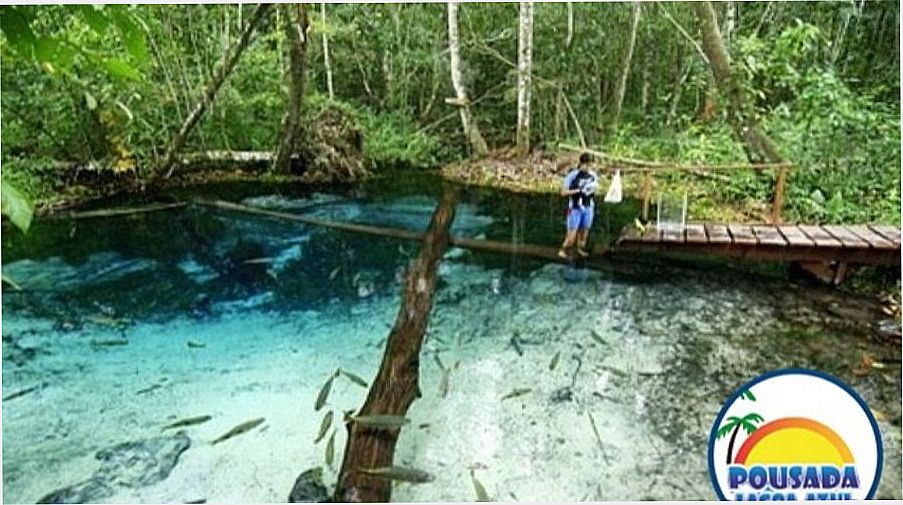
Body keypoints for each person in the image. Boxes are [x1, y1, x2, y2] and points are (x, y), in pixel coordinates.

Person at [558, 153, 599, 259]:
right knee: (572, 235)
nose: (589, 168)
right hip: (575, 207)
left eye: (591, 165)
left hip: (588, 206)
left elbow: (595, 189)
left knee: (584, 233)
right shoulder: (572, 176)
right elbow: (563, 192)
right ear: (582, 164)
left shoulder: (593, 175)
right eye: (587, 165)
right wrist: (579, 191)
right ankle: (563, 249)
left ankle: (579, 249)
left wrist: (591, 190)